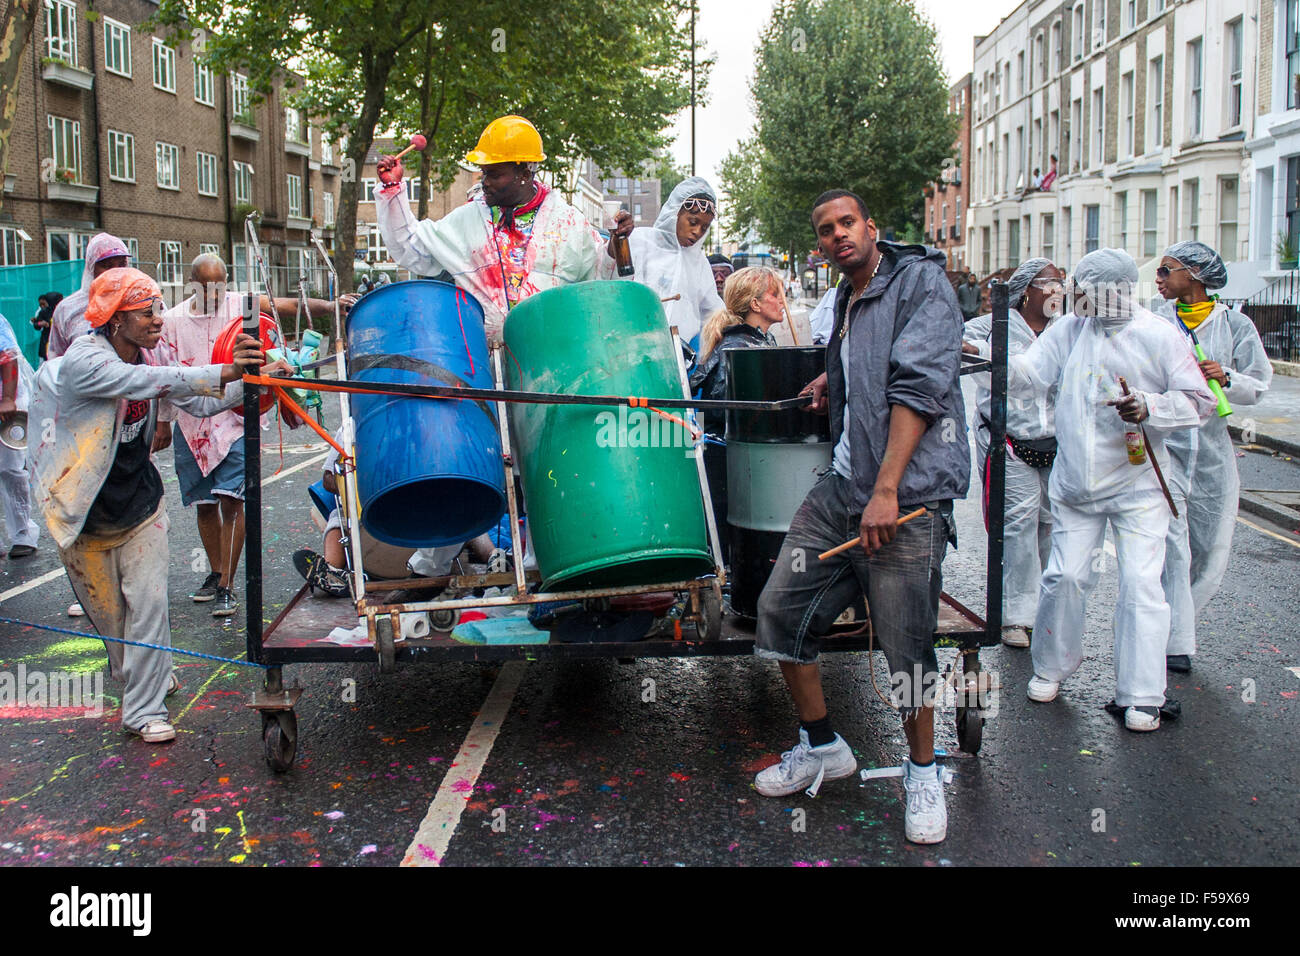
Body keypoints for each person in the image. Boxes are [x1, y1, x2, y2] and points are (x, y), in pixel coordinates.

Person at [751, 190, 969, 845]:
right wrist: (831, 382)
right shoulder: (849, 295)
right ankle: (822, 747)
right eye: (826, 230)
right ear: (818, 244)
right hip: (844, 489)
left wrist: (888, 490)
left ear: (872, 227)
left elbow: (920, 388)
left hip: (902, 498)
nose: (838, 235)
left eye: (848, 223)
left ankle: (923, 772)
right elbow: (866, 369)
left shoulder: (921, 284)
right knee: (780, 610)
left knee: (906, 646)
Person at [28, 268, 278, 743]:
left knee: (148, 606)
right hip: (83, 512)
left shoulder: (150, 350)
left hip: (140, 502)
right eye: (147, 311)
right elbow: (146, 379)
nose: (159, 319)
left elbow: (193, 400)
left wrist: (254, 381)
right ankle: (146, 680)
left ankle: (143, 712)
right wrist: (223, 369)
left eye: (160, 307)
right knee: (113, 623)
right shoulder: (86, 358)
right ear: (116, 320)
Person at [1007, 249, 1215, 733]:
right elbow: (1031, 374)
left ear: (1116, 291)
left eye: (1084, 290)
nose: (1074, 296)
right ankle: (1051, 667)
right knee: (1064, 576)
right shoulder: (1069, 330)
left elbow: (1199, 401)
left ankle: (1141, 694)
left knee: (1143, 586)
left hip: (1138, 486)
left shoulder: (1159, 335)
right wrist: (985, 356)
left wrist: (1150, 405)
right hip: (1077, 484)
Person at [153, 254, 356, 616]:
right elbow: (165, 375)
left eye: (221, 285)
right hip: (192, 421)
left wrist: (331, 305)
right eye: (205, 287)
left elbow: (288, 305)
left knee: (232, 499)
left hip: (235, 417)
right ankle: (216, 574)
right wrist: (162, 421)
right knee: (204, 503)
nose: (215, 294)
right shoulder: (172, 321)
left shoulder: (241, 305)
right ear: (191, 283)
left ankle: (228, 586)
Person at [375, 115, 631, 340]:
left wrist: (616, 243)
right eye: (484, 173)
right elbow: (411, 247)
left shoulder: (568, 223)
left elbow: (601, 280)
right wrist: (391, 190)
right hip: (484, 370)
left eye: (494, 174)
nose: (485, 182)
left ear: (525, 173)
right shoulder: (466, 220)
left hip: (551, 366)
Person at [1153, 241, 1272, 674]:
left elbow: (1257, 385)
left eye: (1168, 271)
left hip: (1213, 452)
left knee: (1209, 547)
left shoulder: (1236, 324)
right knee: (1173, 543)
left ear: (1196, 276)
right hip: (1167, 445)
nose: (1159, 279)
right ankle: (1174, 640)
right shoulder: (1155, 322)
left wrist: (1228, 375)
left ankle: (1178, 621)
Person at [962, 258, 1064, 647]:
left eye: (1062, 283)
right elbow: (954, 340)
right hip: (1009, 441)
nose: (1059, 290)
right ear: (1026, 291)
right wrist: (971, 348)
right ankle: (1016, 617)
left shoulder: (1065, 328)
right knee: (1017, 527)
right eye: (1051, 283)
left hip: (1056, 444)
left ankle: (1045, 610)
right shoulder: (993, 325)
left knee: (1050, 526)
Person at [688, 267, 787, 558]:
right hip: (730, 468)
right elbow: (728, 412)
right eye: (774, 294)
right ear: (755, 304)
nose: (782, 300)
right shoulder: (738, 348)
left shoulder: (760, 342)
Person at [626, 178, 724, 351]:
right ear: (675, 212)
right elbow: (611, 278)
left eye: (704, 227)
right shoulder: (639, 241)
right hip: (631, 348)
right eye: (693, 222)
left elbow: (713, 313)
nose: (697, 232)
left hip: (677, 356)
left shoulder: (699, 263)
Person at [48, 234, 130, 358]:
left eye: (122, 264)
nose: (116, 272)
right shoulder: (67, 309)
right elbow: (57, 358)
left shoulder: (143, 304)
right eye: (107, 266)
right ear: (91, 268)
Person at [0, 310, 40, 558]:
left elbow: (8, 357)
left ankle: (23, 534)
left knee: (10, 469)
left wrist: (7, 398)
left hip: (6, 403)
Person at [31, 291, 63, 361]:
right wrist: (41, 323)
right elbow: (36, 325)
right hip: (47, 342)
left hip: (60, 344)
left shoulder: (62, 311)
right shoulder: (44, 312)